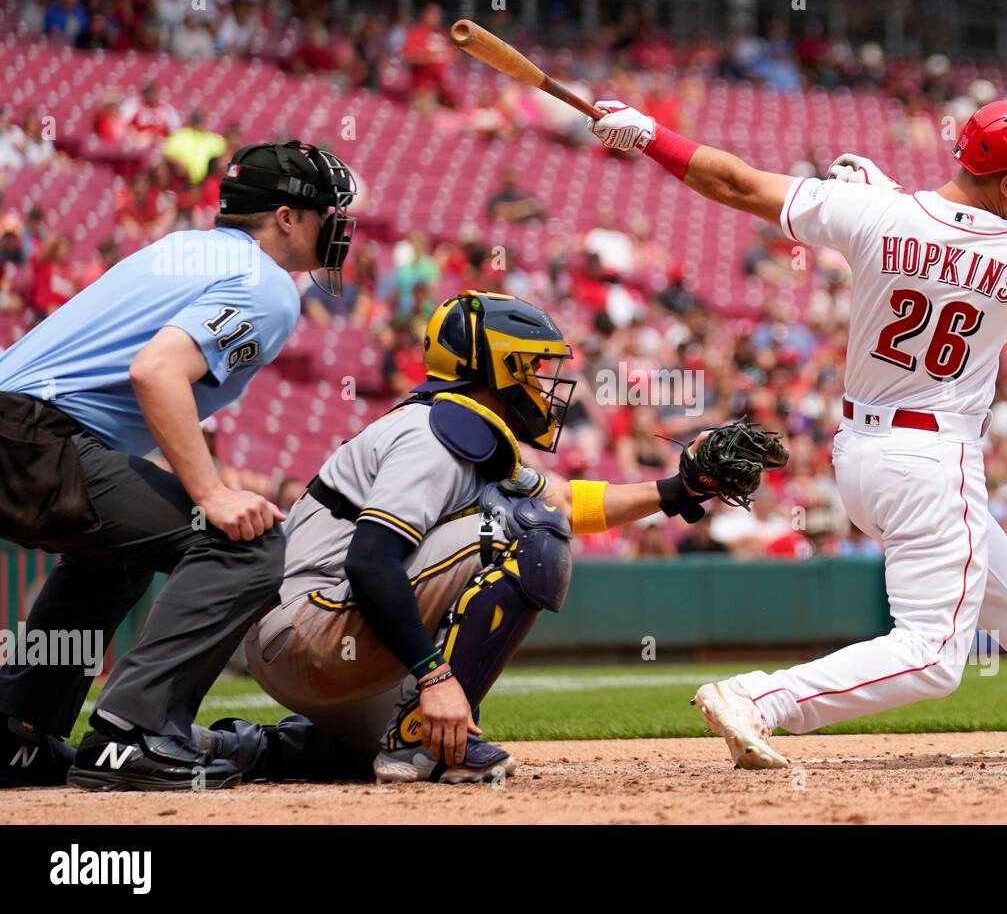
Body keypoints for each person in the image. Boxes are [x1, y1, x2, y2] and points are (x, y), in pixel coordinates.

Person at [587, 98, 1007, 768]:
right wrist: (881, 189)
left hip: (862, 456)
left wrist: (651, 136)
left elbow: (739, 183)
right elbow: (942, 235)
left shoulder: (875, 215)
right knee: (933, 657)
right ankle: (762, 698)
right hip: (933, 457)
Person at [192, 291, 783, 783]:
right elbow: (372, 560)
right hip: (311, 627)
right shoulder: (433, 436)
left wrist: (674, 492)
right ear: (497, 368)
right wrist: (435, 677)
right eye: (532, 366)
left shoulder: (465, 430)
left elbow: (568, 503)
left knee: (357, 759)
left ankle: (241, 748)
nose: (545, 384)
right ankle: (421, 733)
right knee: (530, 531)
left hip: (319, 642)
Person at [0, 140, 358, 791]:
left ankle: (14, 732)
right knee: (247, 545)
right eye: (327, 211)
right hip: (33, 439)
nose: (338, 225)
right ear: (285, 217)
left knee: (117, 554)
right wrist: (212, 493)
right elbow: (156, 370)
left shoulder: (183, 251)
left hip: (23, 431)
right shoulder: (270, 285)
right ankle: (131, 732)